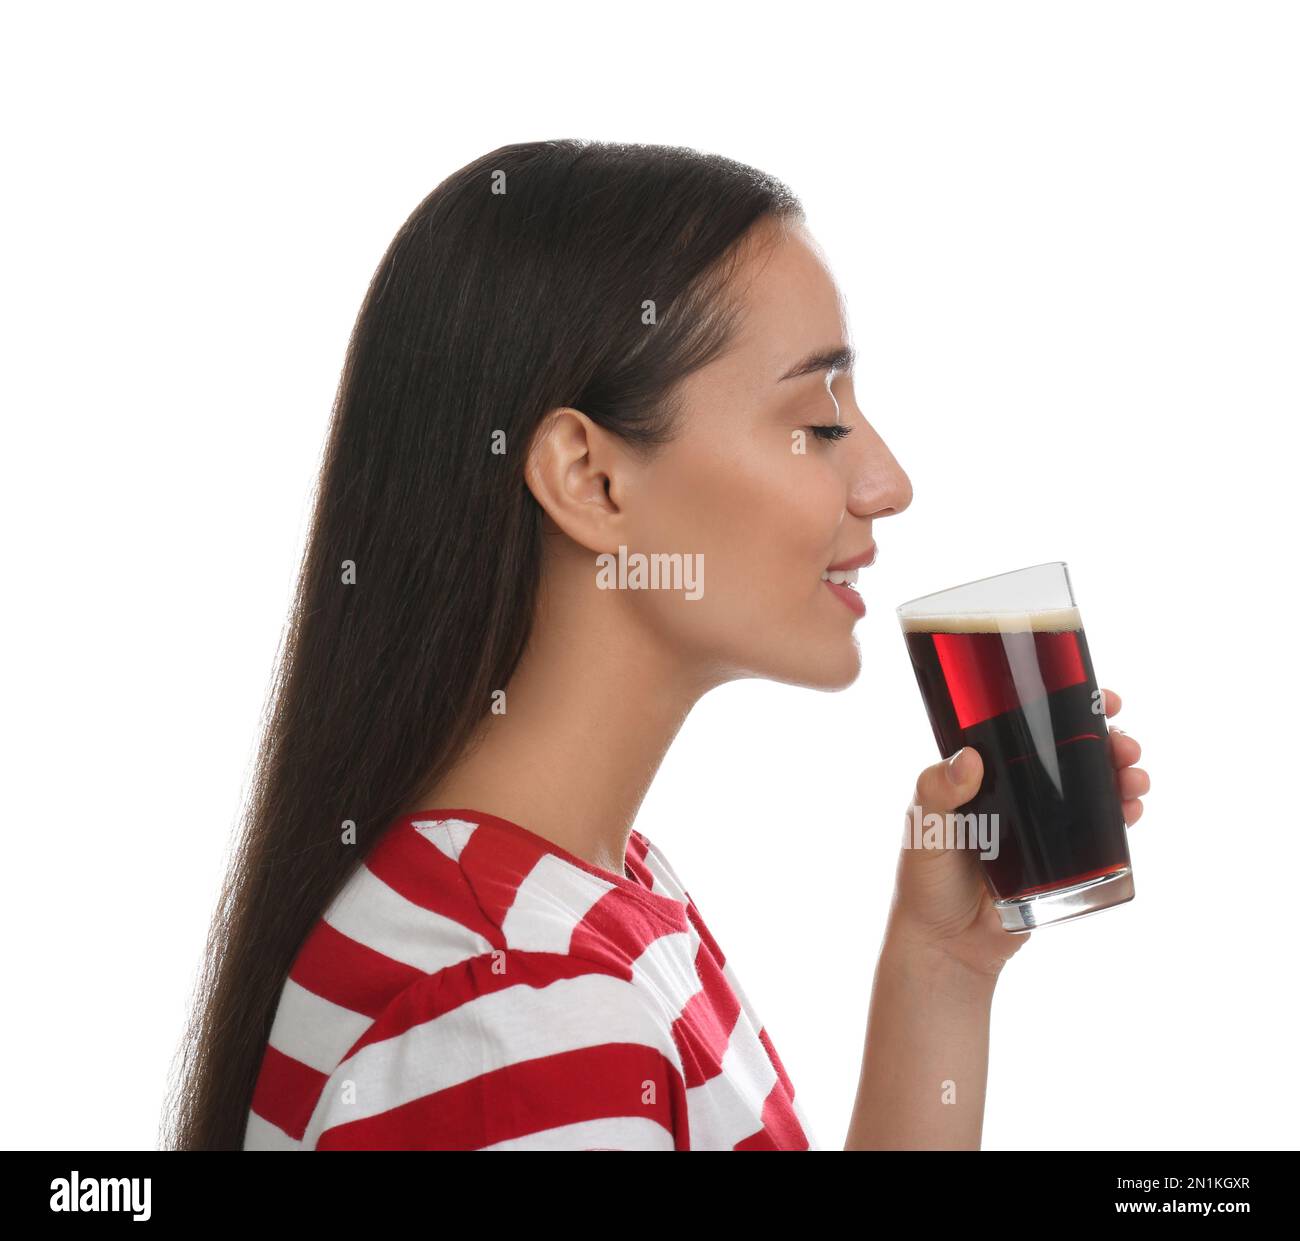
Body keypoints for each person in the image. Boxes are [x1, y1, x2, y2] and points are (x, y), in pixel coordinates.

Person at [163, 139, 1150, 1151]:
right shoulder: (518, 1009)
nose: (887, 482)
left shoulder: (598, 899)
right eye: (817, 420)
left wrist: (943, 964)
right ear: (590, 480)